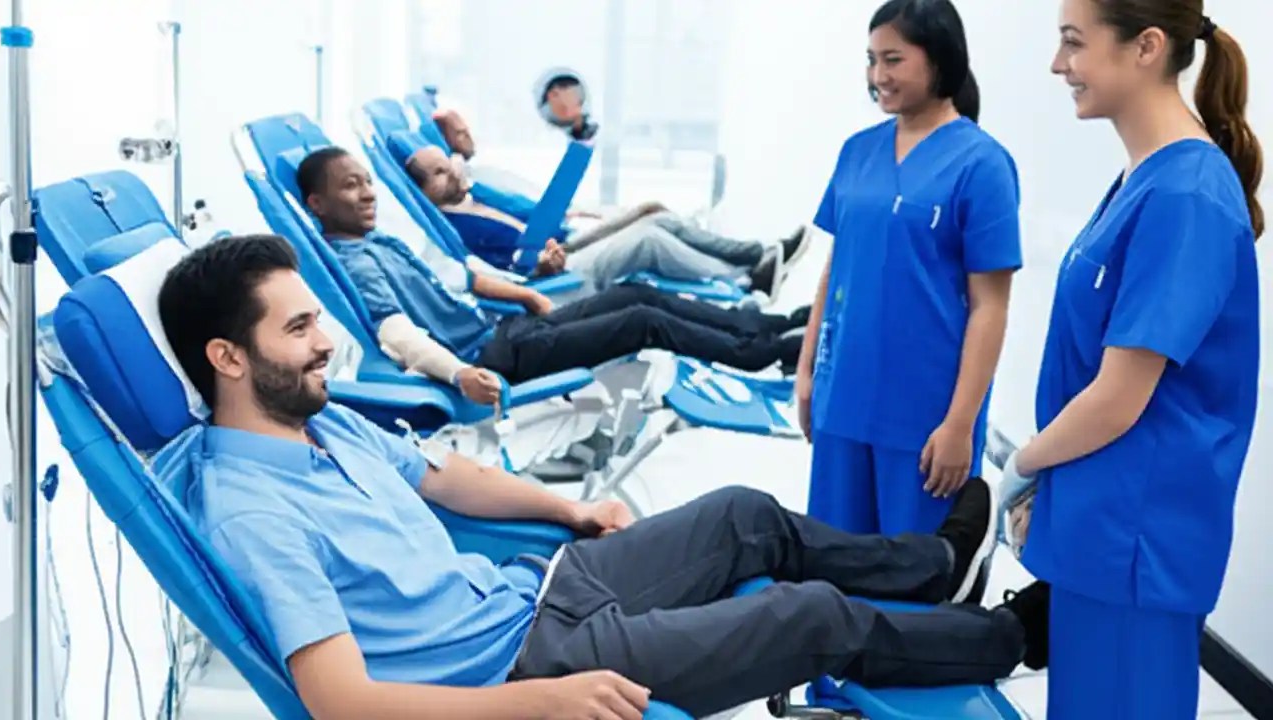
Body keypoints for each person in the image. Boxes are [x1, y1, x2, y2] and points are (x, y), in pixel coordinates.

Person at [157, 232, 1051, 719]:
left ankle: (933, 568)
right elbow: (341, 704)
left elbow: (447, 479)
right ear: (228, 357)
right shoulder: (249, 511)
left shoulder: (324, 420)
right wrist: (539, 702)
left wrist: (570, 509)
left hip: (535, 591)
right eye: (299, 329)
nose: (325, 343)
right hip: (519, 668)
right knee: (806, 615)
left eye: (317, 319)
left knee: (742, 515)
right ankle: (1010, 637)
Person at [997, 1, 1263, 717]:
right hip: (1103, 532)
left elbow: (1118, 398)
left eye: (1073, 43)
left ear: (1146, 47)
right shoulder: (1148, 177)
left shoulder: (1186, 195)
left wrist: (1023, 465)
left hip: (1138, 544)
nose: (1058, 65)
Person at [294, 147, 809, 389]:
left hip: (506, 329)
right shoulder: (355, 261)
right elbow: (396, 334)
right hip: (493, 356)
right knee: (643, 321)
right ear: (316, 204)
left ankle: (770, 324)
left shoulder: (381, 241)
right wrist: (461, 373)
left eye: (367, 182)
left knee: (637, 295)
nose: (368, 193)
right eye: (351, 186)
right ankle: (762, 354)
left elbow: (466, 279)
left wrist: (526, 295)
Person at [800, 0, 1022, 537]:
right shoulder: (857, 153)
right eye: (871, 60)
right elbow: (835, 270)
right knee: (831, 566)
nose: (878, 75)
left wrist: (960, 424)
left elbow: (990, 307)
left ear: (939, 58)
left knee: (914, 576)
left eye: (893, 59)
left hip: (924, 418)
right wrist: (807, 373)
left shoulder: (982, 164)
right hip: (843, 400)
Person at [400, 143, 805, 299]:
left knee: (656, 216)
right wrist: (541, 266)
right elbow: (501, 273)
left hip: (562, 238)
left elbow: (530, 211)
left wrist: (458, 165)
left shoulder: (474, 193)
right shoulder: (454, 230)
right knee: (648, 240)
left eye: (446, 165)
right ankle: (744, 280)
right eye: (438, 174)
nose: (450, 173)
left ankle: (756, 255)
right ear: (421, 193)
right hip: (553, 273)